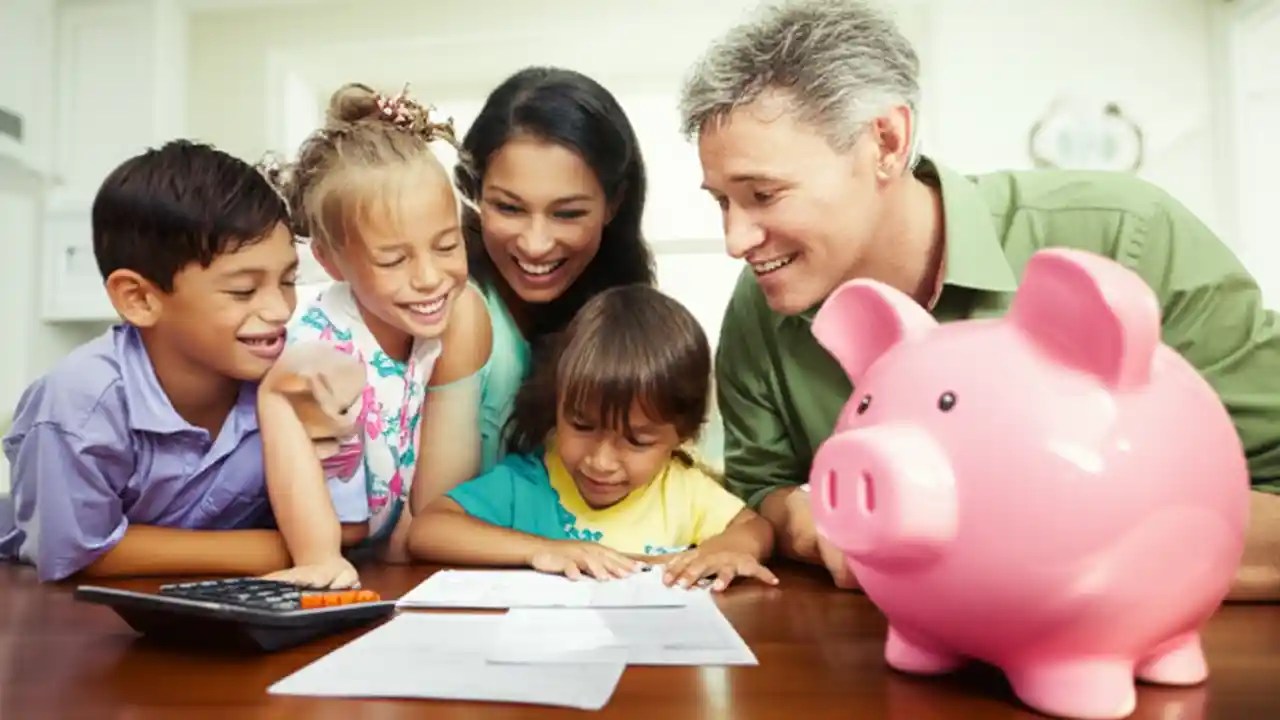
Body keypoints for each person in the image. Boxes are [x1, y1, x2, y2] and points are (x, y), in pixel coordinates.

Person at [678, 0, 1280, 597]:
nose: (736, 240)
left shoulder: (1129, 237)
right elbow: (759, 497)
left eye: (764, 193)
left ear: (886, 142)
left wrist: (1009, 536)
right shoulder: (761, 306)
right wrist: (812, 524)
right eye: (721, 201)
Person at [0, 140, 301, 582]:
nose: (280, 310)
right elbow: (72, 553)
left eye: (289, 280)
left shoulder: (288, 378)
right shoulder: (80, 403)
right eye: (243, 291)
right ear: (139, 299)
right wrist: (275, 548)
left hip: (211, 611)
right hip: (58, 617)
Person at [259, 83, 492, 588]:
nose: (430, 277)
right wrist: (325, 558)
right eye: (394, 259)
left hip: (373, 567)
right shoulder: (323, 348)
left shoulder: (430, 330)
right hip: (317, 561)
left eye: (447, 245)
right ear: (328, 259)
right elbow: (338, 524)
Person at [408, 285, 778, 591]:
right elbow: (428, 530)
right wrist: (543, 551)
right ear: (558, 406)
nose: (600, 461)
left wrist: (726, 550)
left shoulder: (682, 491)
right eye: (582, 427)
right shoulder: (528, 483)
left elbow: (754, 527)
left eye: (636, 441)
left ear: (683, 435)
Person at [452, 66, 656, 474]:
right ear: (475, 194)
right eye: (508, 207)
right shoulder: (452, 307)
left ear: (614, 204)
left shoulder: (614, 315)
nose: (535, 243)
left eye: (567, 213)